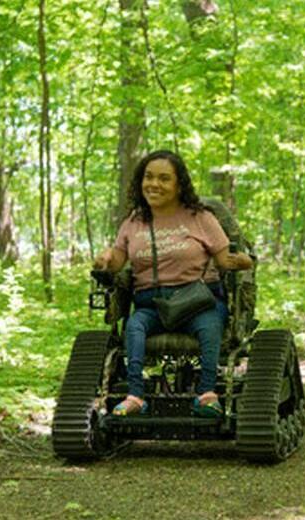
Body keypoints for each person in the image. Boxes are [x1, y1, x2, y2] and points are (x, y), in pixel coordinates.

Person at [93, 150, 253, 417]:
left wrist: (244, 261)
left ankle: (207, 394)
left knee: (210, 327)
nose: (154, 184)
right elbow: (118, 261)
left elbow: (226, 260)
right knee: (134, 327)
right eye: (149, 177)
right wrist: (106, 258)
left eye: (164, 179)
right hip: (152, 305)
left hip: (198, 302)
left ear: (179, 185)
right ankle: (135, 395)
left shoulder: (201, 217)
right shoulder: (134, 221)